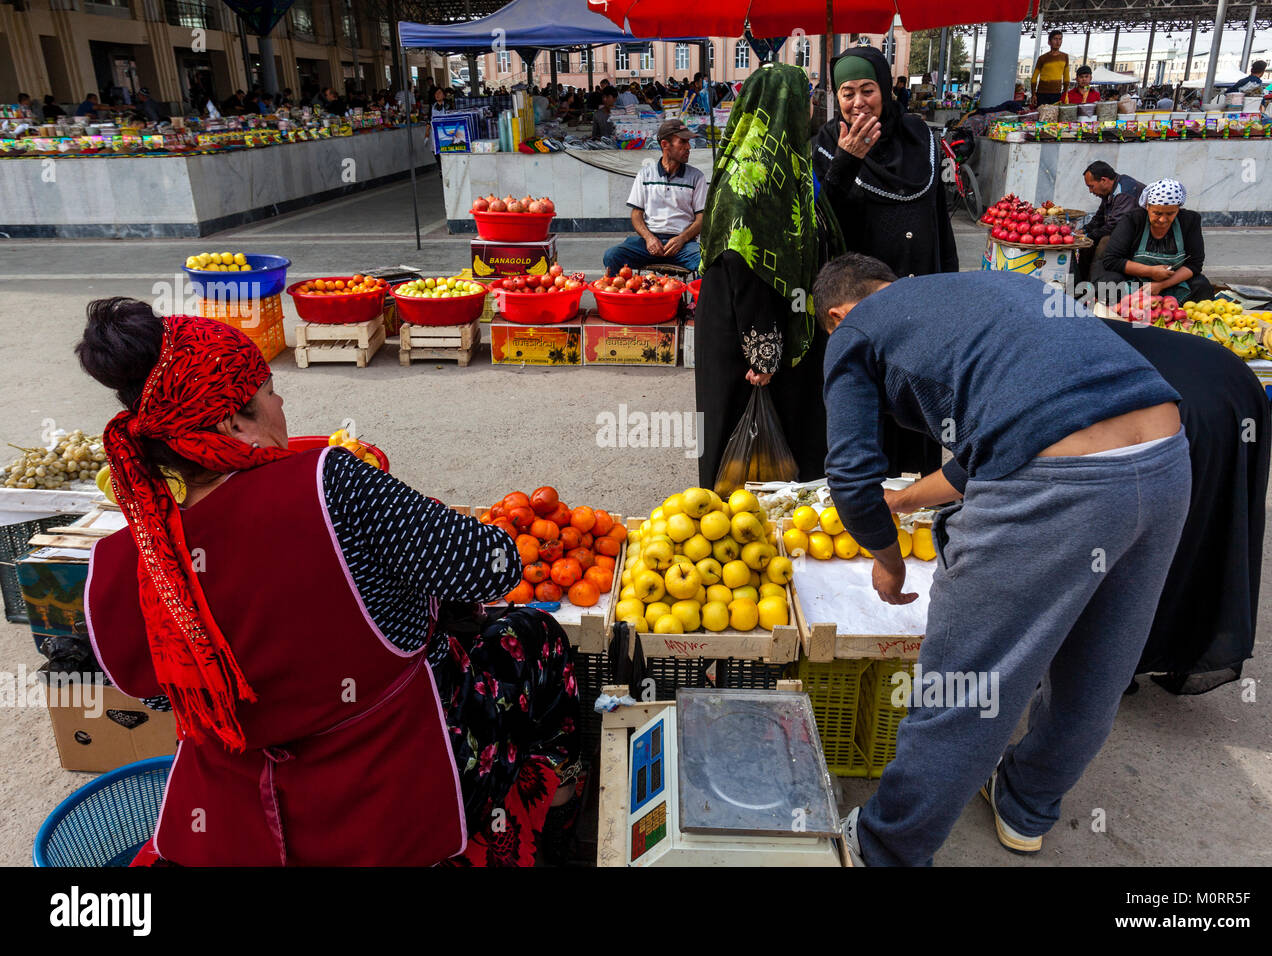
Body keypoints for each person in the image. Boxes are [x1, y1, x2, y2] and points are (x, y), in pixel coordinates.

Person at [76, 299, 583, 866]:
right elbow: (493, 567)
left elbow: (146, 684)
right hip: (381, 796)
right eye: (268, 387)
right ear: (231, 420)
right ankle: (555, 802)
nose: (282, 399)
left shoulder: (131, 553)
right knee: (533, 635)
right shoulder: (329, 483)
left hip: (236, 822)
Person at [813, 257, 1189, 866]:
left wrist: (890, 561)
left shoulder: (854, 329)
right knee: (1098, 668)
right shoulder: (984, 290)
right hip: (1166, 458)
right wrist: (906, 500)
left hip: (1058, 487)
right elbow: (1004, 436)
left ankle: (886, 849)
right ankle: (1025, 807)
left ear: (836, 314)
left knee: (966, 683)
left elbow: (852, 478)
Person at [1100, 319, 1270, 695]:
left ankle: (1125, 661)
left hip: (1176, 404)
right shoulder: (1047, 326)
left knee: (1148, 538)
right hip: (1231, 382)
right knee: (1213, 518)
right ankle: (1183, 651)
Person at [812, 45, 956, 476]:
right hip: (864, 302)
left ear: (886, 90)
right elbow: (822, 224)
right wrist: (847, 162)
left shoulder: (921, 139)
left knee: (919, 396)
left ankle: (919, 496)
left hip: (921, 294)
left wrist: (948, 293)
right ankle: (866, 501)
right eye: (847, 93)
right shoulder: (824, 144)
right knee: (868, 399)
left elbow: (939, 222)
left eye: (868, 90)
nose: (858, 103)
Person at [695, 63, 828, 489]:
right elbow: (740, 258)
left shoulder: (762, 156)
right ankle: (734, 522)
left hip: (750, 316)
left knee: (764, 435)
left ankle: (765, 519)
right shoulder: (756, 169)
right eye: (806, 100)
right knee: (739, 426)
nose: (811, 109)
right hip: (745, 327)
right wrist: (764, 349)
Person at [602, 119, 707, 275]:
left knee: (707, 262)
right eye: (683, 142)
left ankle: (696, 300)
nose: (688, 147)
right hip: (648, 243)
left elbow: (701, 219)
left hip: (684, 245)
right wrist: (649, 238)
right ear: (665, 145)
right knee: (612, 256)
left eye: (688, 142)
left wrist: (682, 239)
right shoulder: (645, 174)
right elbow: (636, 214)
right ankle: (626, 298)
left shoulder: (696, 177)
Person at [1097, 178, 1212, 306]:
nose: (1163, 219)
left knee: (1201, 285)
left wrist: (1161, 284)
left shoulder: (1189, 221)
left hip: (1172, 284)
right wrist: (1150, 271)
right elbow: (1111, 260)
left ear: (1178, 209)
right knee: (1109, 283)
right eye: (1157, 213)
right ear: (1147, 206)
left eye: (1170, 213)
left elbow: (1194, 263)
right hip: (1134, 284)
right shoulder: (1133, 220)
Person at [1077, 161, 1145, 281]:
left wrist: (1088, 236)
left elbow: (1115, 226)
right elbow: (1099, 217)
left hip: (1138, 236)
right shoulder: (1110, 191)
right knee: (1087, 244)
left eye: (1091, 186)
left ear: (1103, 180)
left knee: (1104, 242)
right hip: (1122, 231)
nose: (1090, 191)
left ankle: (1094, 284)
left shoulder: (1124, 193)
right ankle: (1081, 281)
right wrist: (1085, 230)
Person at [1031, 30, 1069, 105]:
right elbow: (1034, 78)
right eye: (1055, 39)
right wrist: (1033, 94)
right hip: (1042, 94)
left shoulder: (1065, 57)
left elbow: (1066, 78)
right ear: (1049, 42)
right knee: (1043, 115)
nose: (1058, 42)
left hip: (1057, 94)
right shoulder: (1042, 58)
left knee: (1054, 116)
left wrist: (1065, 94)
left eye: (1060, 39)